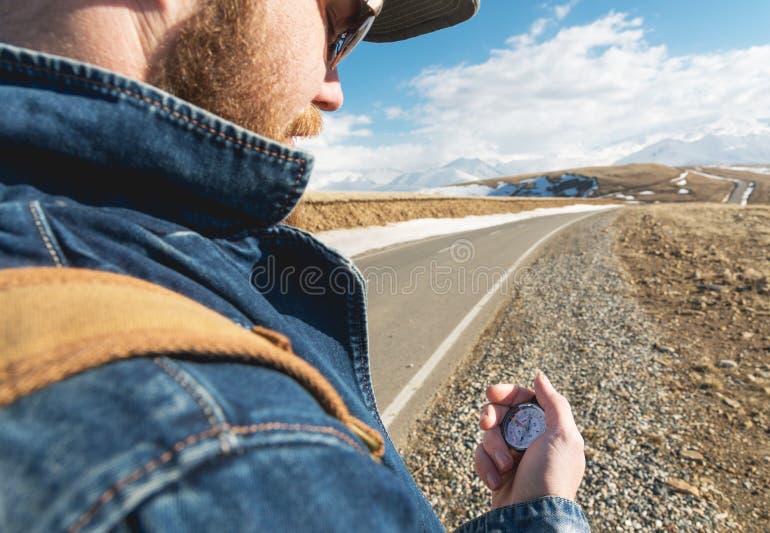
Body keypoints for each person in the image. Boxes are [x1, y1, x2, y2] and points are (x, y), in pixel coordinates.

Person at [0, 0, 589, 531]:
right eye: (342, 25)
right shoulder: (230, 453)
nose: (333, 88)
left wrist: (519, 511)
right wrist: (543, 520)